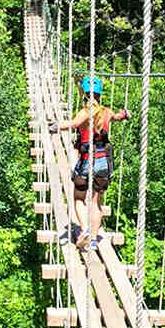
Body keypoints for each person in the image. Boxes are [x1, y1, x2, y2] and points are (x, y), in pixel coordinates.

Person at [50, 76, 130, 251]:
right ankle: (93, 240)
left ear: (85, 95)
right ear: (100, 95)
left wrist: (56, 126)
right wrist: (124, 115)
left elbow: (74, 123)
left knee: (78, 198)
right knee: (96, 201)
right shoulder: (106, 112)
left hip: (87, 162)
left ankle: (84, 229)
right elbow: (116, 116)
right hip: (103, 163)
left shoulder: (85, 112)